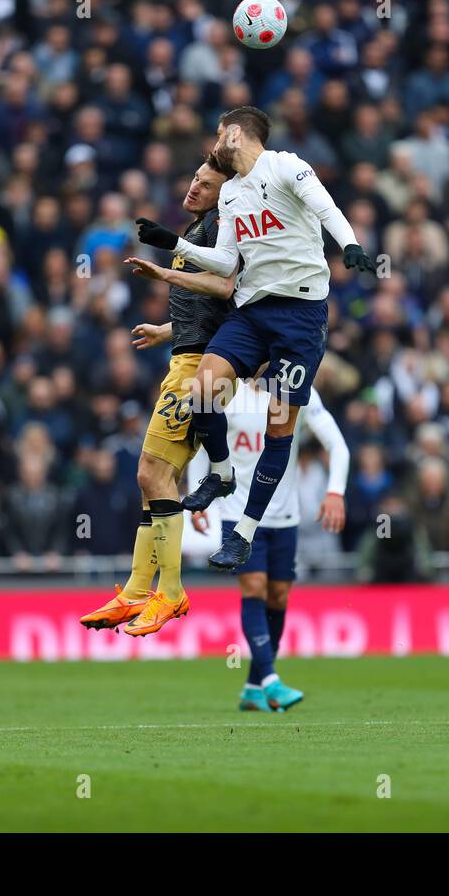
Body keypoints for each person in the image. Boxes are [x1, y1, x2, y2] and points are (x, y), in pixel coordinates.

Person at [135, 105, 374, 572]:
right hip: (251, 311)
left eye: (219, 131)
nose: (214, 139)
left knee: (279, 427)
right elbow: (225, 264)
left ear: (236, 133)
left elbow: (327, 208)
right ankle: (221, 472)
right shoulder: (230, 197)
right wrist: (174, 243)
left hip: (300, 317)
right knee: (202, 389)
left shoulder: (287, 166)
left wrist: (349, 244)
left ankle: (243, 532)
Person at [79, 154, 236, 637]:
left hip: (203, 367)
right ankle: (136, 590)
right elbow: (208, 303)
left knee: (151, 472)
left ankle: (169, 591)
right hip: (187, 356)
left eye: (205, 183)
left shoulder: (223, 229)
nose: (194, 187)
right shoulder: (197, 229)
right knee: (156, 479)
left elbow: (229, 287)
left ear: (224, 192)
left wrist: (163, 275)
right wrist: (170, 329)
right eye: (194, 177)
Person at [189, 375, 349, 712]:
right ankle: (271, 681)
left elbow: (337, 445)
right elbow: (203, 446)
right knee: (254, 588)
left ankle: (251, 687)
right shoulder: (227, 390)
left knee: (278, 595)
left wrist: (335, 491)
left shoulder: (298, 392)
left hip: (284, 515)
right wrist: (200, 495)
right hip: (237, 511)